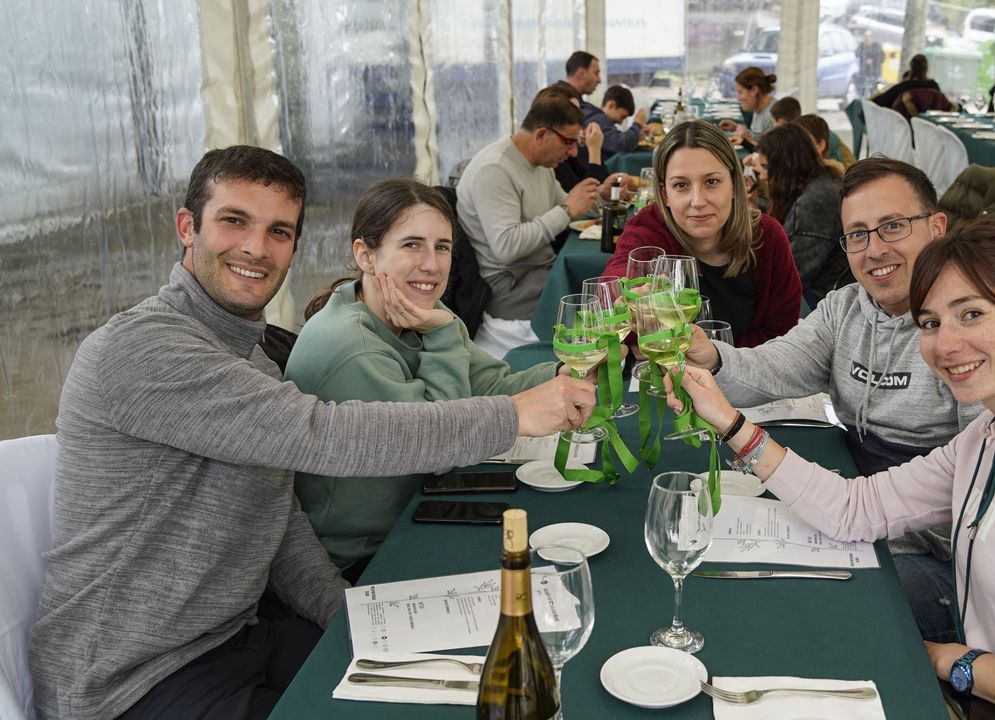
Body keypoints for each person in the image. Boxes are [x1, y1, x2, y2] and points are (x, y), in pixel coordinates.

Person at [29, 147, 597, 720]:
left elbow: (276, 520)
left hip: (236, 636)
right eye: (234, 221)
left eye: (279, 231)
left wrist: (347, 613)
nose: (256, 247)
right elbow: (324, 434)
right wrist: (513, 415)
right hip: (130, 677)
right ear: (186, 227)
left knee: (451, 682)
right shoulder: (142, 347)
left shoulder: (250, 360)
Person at [670, 219, 995, 719]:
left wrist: (942, 658)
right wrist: (730, 423)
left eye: (973, 313)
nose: (946, 344)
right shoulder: (993, 432)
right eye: (931, 323)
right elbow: (857, 508)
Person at [681, 157, 985, 643]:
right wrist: (713, 358)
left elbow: (977, 496)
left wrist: (850, 521)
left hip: (931, 554)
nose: (875, 249)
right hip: (852, 512)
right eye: (858, 234)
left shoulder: (968, 331)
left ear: (937, 227)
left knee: (822, 610)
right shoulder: (847, 307)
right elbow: (777, 366)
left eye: (893, 226)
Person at [286, 179, 572, 577]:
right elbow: (441, 447)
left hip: (417, 509)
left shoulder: (417, 308)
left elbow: (488, 386)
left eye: (442, 247)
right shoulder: (355, 346)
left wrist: (563, 375)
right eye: (411, 245)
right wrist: (443, 332)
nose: (432, 265)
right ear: (365, 256)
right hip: (365, 555)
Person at [602, 119, 801, 347]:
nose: (698, 201)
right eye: (681, 185)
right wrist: (628, 300)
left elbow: (781, 332)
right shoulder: (648, 227)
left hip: (749, 374)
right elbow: (615, 285)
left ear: (737, 185)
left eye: (712, 181)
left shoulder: (767, 236)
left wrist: (717, 358)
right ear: (664, 193)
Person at [455, 92, 615, 357]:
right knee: (599, 300)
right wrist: (566, 210)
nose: (574, 152)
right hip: (511, 287)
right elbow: (507, 246)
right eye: (569, 142)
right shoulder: (494, 170)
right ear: (542, 134)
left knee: (609, 286)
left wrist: (598, 196)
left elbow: (573, 208)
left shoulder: (541, 164)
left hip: (540, 271)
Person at [755, 123, 849, 305]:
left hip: (819, 300)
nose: (764, 176)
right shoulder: (821, 181)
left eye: (767, 167)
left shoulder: (815, 201)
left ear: (785, 166)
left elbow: (792, 274)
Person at [581, 84, 650, 159]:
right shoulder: (598, 119)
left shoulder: (594, 116)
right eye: (622, 117)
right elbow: (623, 145)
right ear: (611, 105)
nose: (620, 122)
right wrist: (637, 124)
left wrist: (636, 136)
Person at [718, 66, 778, 148]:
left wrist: (748, 138)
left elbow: (772, 153)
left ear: (754, 90)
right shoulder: (758, 108)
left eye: (741, 93)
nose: (738, 98)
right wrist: (735, 127)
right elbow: (759, 136)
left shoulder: (773, 115)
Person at [873, 54, 949, 117]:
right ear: (926, 68)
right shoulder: (934, 86)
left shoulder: (904, 87)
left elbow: (878, 102)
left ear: (911, 68)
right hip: (930, 130)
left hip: (904, 130)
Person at [857, 31, 885, 98]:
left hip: (875, 73)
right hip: (864, 74)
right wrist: (864, 60)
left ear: (873, 38)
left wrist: (874, 61)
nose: (867, 40)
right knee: (862, 91)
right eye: (865, 38)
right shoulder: (861, 46)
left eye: (869, 38)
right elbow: (856, 54)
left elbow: (882, 57)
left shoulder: (877, 46)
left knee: (878, 90)